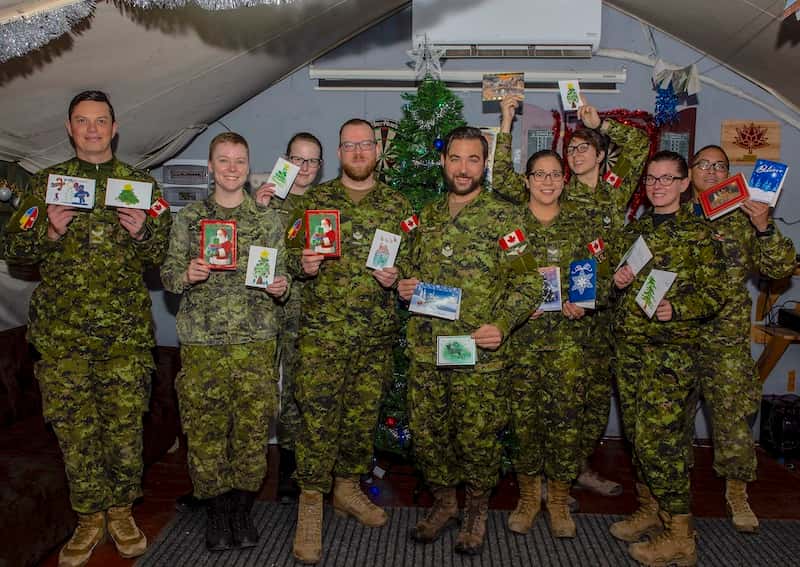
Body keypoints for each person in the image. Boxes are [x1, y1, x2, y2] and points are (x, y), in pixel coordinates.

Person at [2, 90, 171, 567]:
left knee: (123, 429)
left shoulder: (141, 185)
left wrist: (141, 233)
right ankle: (87, 518)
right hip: (63, 339)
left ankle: (120, 512)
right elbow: (15, 245)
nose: (93, 129)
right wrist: (49, 232)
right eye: (83, 121)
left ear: (115, 128)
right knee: (74, 433)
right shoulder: (45, 184)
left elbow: (160, 254)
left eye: (101, 121)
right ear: (70, 128)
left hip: (124, 337)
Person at [494, 94, 650, 499]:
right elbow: (504, 179)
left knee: (595, 398)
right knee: (556, 396)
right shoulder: (559, 195)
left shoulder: (616, 189)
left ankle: (577, 467)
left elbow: (638, 145)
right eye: (572, 149)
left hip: (608, 308)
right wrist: (506, 123)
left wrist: (601, 124)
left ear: (601, 156)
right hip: (561, 314)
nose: (576, 154)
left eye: (585, 148)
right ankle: (544, 477)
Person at [398, 126, 543, 555]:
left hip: (477, 355)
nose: (464, 168)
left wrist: (502, 323)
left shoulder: (505, 218)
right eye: (456, 159)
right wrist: (405, 284)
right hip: (427, 350)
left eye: (473, 160)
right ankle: (445, 504)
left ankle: (477, 511)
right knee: (428, 436)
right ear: (444, 162)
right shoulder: (424, 216)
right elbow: (406, 267)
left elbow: (530, 286)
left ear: (484, 164)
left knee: (478, 438)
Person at [289, 118, 413, 564]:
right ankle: (310, 505)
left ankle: (346, 489)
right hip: (323, 339)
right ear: (339, 152)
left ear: (377, 150)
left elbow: (413, 264)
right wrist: (302, 262)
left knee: (362, 420)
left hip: (374, 339)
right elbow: (286, 254)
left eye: (366, 145)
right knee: (318, 423)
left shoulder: (399, 206)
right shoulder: (315, 201)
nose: (358, 152)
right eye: (349, 145)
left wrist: (399, 276)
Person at [161, 132, 290, 552]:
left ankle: (241, 511)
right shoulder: (190, 219)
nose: (231, 168)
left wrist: (280, 287)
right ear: (211, 167)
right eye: (224, 160)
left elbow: (285, 278)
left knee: (252, 433)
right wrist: (187, 275)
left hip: (255, 340)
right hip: (204, 343)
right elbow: (168, 275)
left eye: (239, 160)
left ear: (247, 166)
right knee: (205, 432)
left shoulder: (269, 220)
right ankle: (216, 514)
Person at [610, 151, 725, 566]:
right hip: (630, 354)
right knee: (637, 439)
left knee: (663, 444)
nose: (657, 185)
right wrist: (618, 280)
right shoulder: (634, 232)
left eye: (666, 178)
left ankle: (679, 535)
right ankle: (652, 510)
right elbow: (612, 289)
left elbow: (716, 294)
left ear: (683, 183)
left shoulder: (699, 234)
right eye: (651, 179)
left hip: (670, 359)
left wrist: (677, 308)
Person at [496, 147, 610, 540]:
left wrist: (583, 302)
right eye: (539, 174)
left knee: (565, 424)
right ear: (526, 180)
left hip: (568, 345)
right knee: (525, 425)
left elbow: (602, 277)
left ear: (565, 180)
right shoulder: (508, 227)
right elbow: (492, 282)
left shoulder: (582, 225)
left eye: (555, 174)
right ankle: (528, 499)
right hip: (523, 344)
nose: (547, 181)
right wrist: (515, 308)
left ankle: (559, 501)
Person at [688, 145, 796, 532]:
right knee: (668, 425)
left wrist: (764, 225)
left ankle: (737, 494)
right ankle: (666, 499)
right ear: (691, 173)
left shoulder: (746, 217)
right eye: (705, 165)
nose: (713, 172)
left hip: (725, 342)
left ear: (730, 175)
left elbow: (781, 266)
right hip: (677, 342)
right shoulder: (675, 215)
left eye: (721, 166)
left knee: (734, 421)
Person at [255, 131, 324, 502]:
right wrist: (258, 208)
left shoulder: (324, 203)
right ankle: (243, 473)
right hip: (265, 309)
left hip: (306, 313)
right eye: (298, 159)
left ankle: (291, 471)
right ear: (285, 160)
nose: (305, 168)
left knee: (298, 393)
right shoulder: (266, 200)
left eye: (313, 161)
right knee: (262, 390)